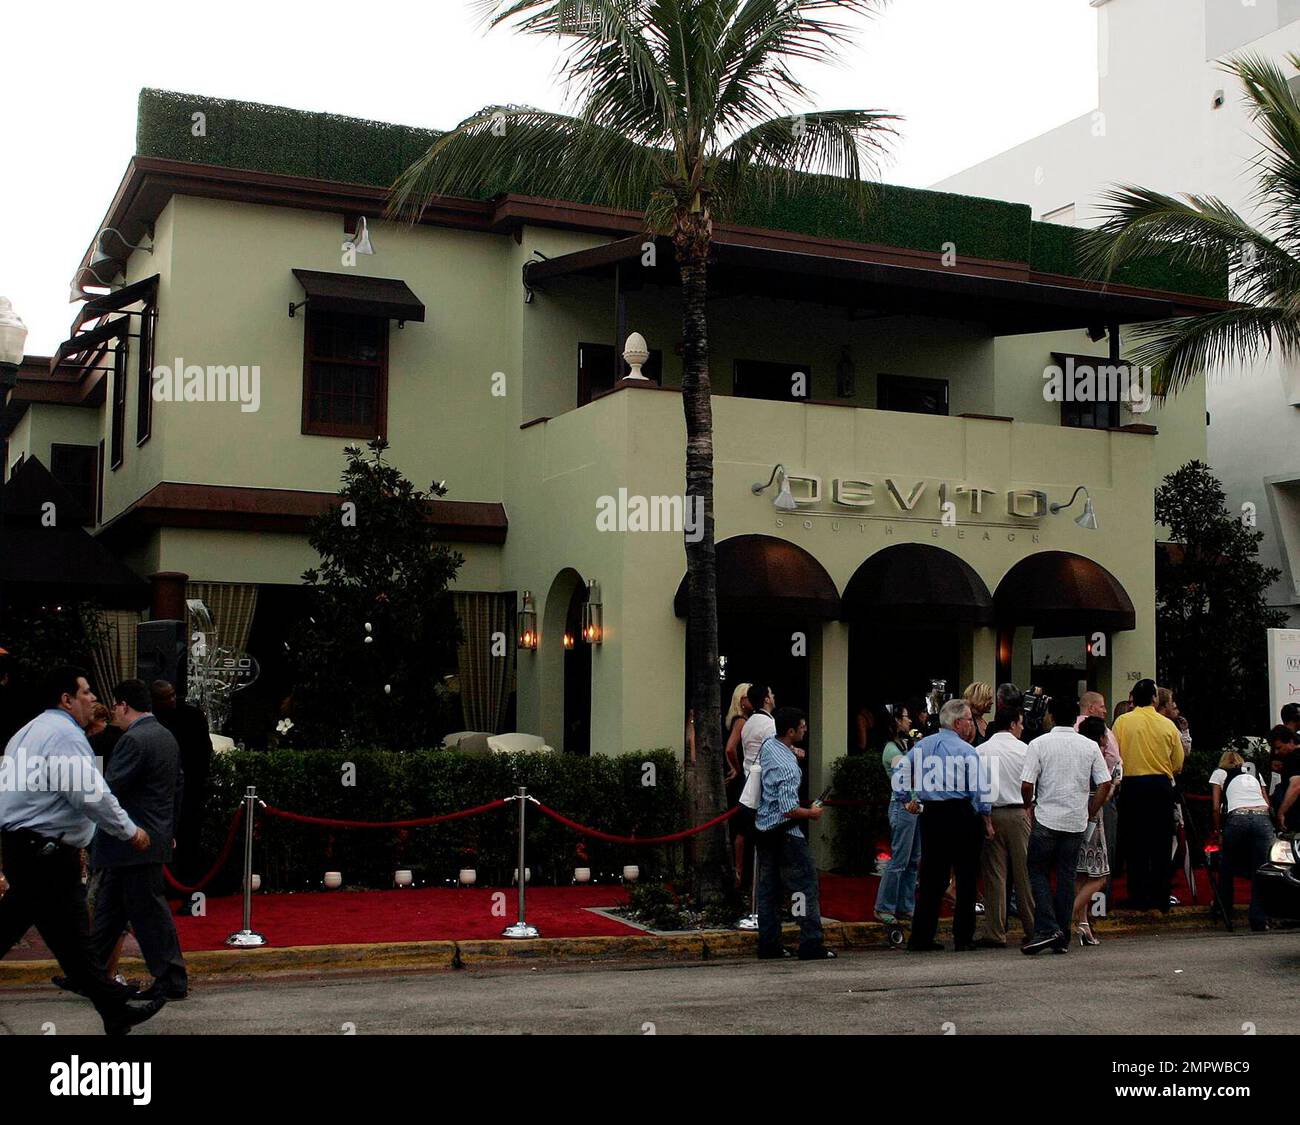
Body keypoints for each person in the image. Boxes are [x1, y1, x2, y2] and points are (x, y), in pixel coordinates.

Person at [0, 665, 166, 1035]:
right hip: (45, 853)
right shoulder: (63, 735)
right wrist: (129, 831)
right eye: (86, 692)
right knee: (68, 941)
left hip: (29, 849)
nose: (93, 698)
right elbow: (90, 794)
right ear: (66, 699)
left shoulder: (28, 732)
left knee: (75, 946)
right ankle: (114, 1010)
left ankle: (115, 1012)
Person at [90, 679, 189, 1001]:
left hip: (132, 842)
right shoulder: (164, 736)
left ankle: (172, 979)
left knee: (148, 914)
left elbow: (110, 789)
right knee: (109, 911)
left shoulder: (133, 740)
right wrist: (169, 830)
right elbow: (177, 786)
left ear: (123, 705)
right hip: (148, 839)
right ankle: (87, 974)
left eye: (115, 706)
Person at [1021, 697, 1113, 954]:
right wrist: (1090, 810)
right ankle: (1060, 934)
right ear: (1076, 718)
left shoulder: (1039, 744)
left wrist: (1029, 805)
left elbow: (1027, 783)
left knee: (1037, 871)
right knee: (1066, 876)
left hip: (1047, 817)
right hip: (1075, 821)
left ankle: (1049, 928)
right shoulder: (1088, 746)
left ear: (1050, 715)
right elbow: (1105, 783)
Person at [900, 699, 993, 952]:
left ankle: (921, 936)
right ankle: (963, 937)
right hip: (961, 812)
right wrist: (984, 817)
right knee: (965, 877)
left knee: (932, 877)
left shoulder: (923, 745)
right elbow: (978, 789)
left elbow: (901, 770)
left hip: (932, 815)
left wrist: (906, 798)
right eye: (968, 720)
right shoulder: (966, 751)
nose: (970, 725)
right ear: (957, 723)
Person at [754, 707, 833, 960]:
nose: (805, 729)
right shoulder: (788, 768)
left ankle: (769, 943)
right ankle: (810, 941)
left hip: (765, 829)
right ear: (791, 731)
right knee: (804, 887)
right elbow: (789, 809)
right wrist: (811, 813)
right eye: (802, 726)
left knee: (769, 890)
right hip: (788, 834)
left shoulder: (769, 746)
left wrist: (793, 752)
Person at [1113, 678, 1183, 912]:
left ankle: (1138, 895)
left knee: (1135, 844)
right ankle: (1161, 895)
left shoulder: (1122, 722)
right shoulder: (1167, 725)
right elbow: (1178, 762)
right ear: (1155, 698)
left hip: (1132, 786)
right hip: (1161, 786)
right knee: (1161, 843)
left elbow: (1115, 756)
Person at [974, 706, 1035, 947]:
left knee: (994, 875)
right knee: (1025, 875)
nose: (1022, 728)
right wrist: (1030, 807)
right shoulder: (1025, 750)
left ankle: (995, 931)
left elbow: (977, 789)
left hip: (991, 814)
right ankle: (1033, 927)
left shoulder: (980, 751)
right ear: (1012, 724)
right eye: (1020, 723)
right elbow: (1032, 783)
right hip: (1019, 811)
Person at [151, 679, 211, 900]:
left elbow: (204, 754)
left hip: (189, 791)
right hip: (163, 793)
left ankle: (191, 896)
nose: (172, 699)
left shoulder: (193, 716)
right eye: (166, 697)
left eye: (173, 694)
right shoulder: (153, 721)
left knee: (189, 843)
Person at [1208, 749, 1276, 932]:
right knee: (1261, 869)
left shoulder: (1219, 773)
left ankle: (1223, 909)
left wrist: (1218, 831)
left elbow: (1215, 807)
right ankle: (1259, 919)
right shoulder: (1254, 773)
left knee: (1226, 864)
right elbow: (1266, 802)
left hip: (1237, 817)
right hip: (1262, 817)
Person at [1071, 716, 1121, 946]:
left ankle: (1083, 923)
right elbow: (1104, 786)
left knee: (1080, 873)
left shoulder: (1075, 753)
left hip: (1074, 813)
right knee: (1100, 876)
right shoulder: (1095, 755)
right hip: (1092, 815)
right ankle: (1068, 913)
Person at [873, 703, 918, 926]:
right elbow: (901, 779)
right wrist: (907, 801)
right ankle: (884, 906)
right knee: (899, 859)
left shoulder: (903, 746)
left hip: (914, 806)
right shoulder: (891, 749)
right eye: (906, 717)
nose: (910, 721)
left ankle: (905, 905)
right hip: (904, 807)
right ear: (896, 721)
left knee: (913, 860)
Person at [1076, 691, 1121, 887]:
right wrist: (1112, 782)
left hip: (1074, 798)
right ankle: (1099, 903)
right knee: (1102, 853)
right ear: (1091, 707)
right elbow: (1114, 758)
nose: (1105, 710)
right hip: (1097, 799)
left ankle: (1078, 910)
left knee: (1076, 861)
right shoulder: (1102, 730)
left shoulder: (1069, 728)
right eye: (1102, 706)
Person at [723, 682, 753, 888]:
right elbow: (730, 749)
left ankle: (741, 872)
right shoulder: (741, 721)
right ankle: (739, 873)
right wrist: (737, 769)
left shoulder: (741, 720)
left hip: (742, 778)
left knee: (742, 828)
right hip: (742, 781)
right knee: (742, 829)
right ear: (741, 700)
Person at [1268, 724, 1300, 833]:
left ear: (1291, 741)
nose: (1277, 752)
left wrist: (1281, 812)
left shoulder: (1293, 758)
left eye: (1279, 747)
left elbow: (1296, 785)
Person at [962, 682, 994, 746]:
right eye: (988, 699)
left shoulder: (982, 721)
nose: (992, 702)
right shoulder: (967, 722)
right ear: (977, 699)